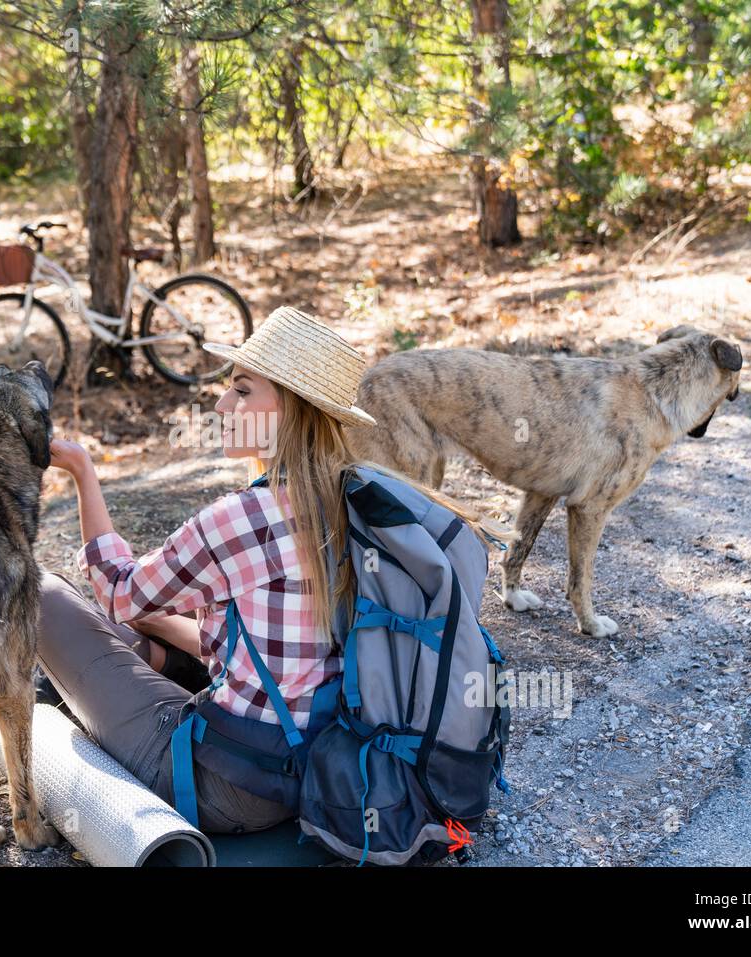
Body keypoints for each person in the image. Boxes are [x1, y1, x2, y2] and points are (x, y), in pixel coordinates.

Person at [39, 306, 508, 834]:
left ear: (290, 410)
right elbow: (273, 650)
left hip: (229, 788)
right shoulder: (356, 496)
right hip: (324, 766)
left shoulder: (245, 518)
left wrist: (82, 471)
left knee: (43, 595)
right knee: (138, 631)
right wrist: (150, 626)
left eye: (241, 390)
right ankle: (140, 654)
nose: (221, 403)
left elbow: (119, 591)